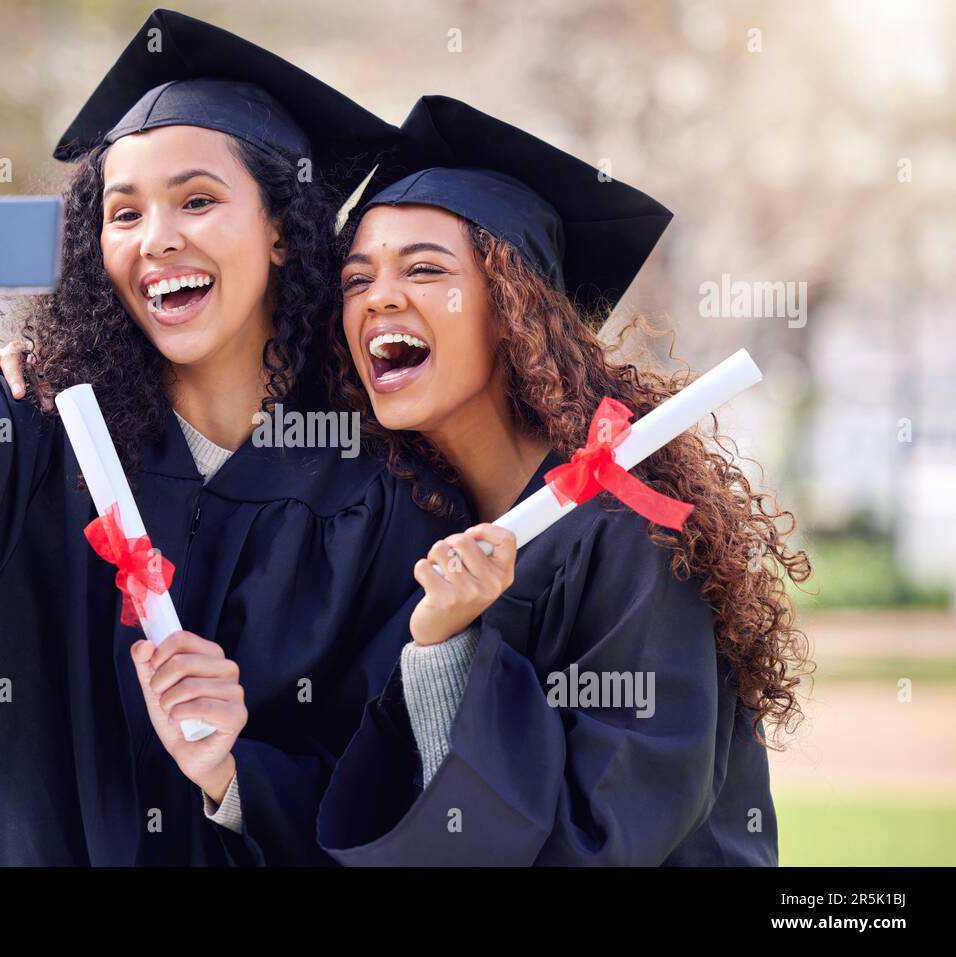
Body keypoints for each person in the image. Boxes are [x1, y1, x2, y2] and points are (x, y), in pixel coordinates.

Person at [0, 10, 466, 866]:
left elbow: (386, 795)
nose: (157, 240)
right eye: (123, 212)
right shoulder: (35, 432)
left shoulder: (379, 500)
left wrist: (234, 775)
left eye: (197, 199)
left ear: (282, 231)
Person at [311, 96, 811, 865]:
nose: (378, 296)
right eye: (356, 277)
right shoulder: (414, 514)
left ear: (513, 309)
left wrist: (448, 648)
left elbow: (603, 842)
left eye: (424, 269)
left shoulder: (628, 534)